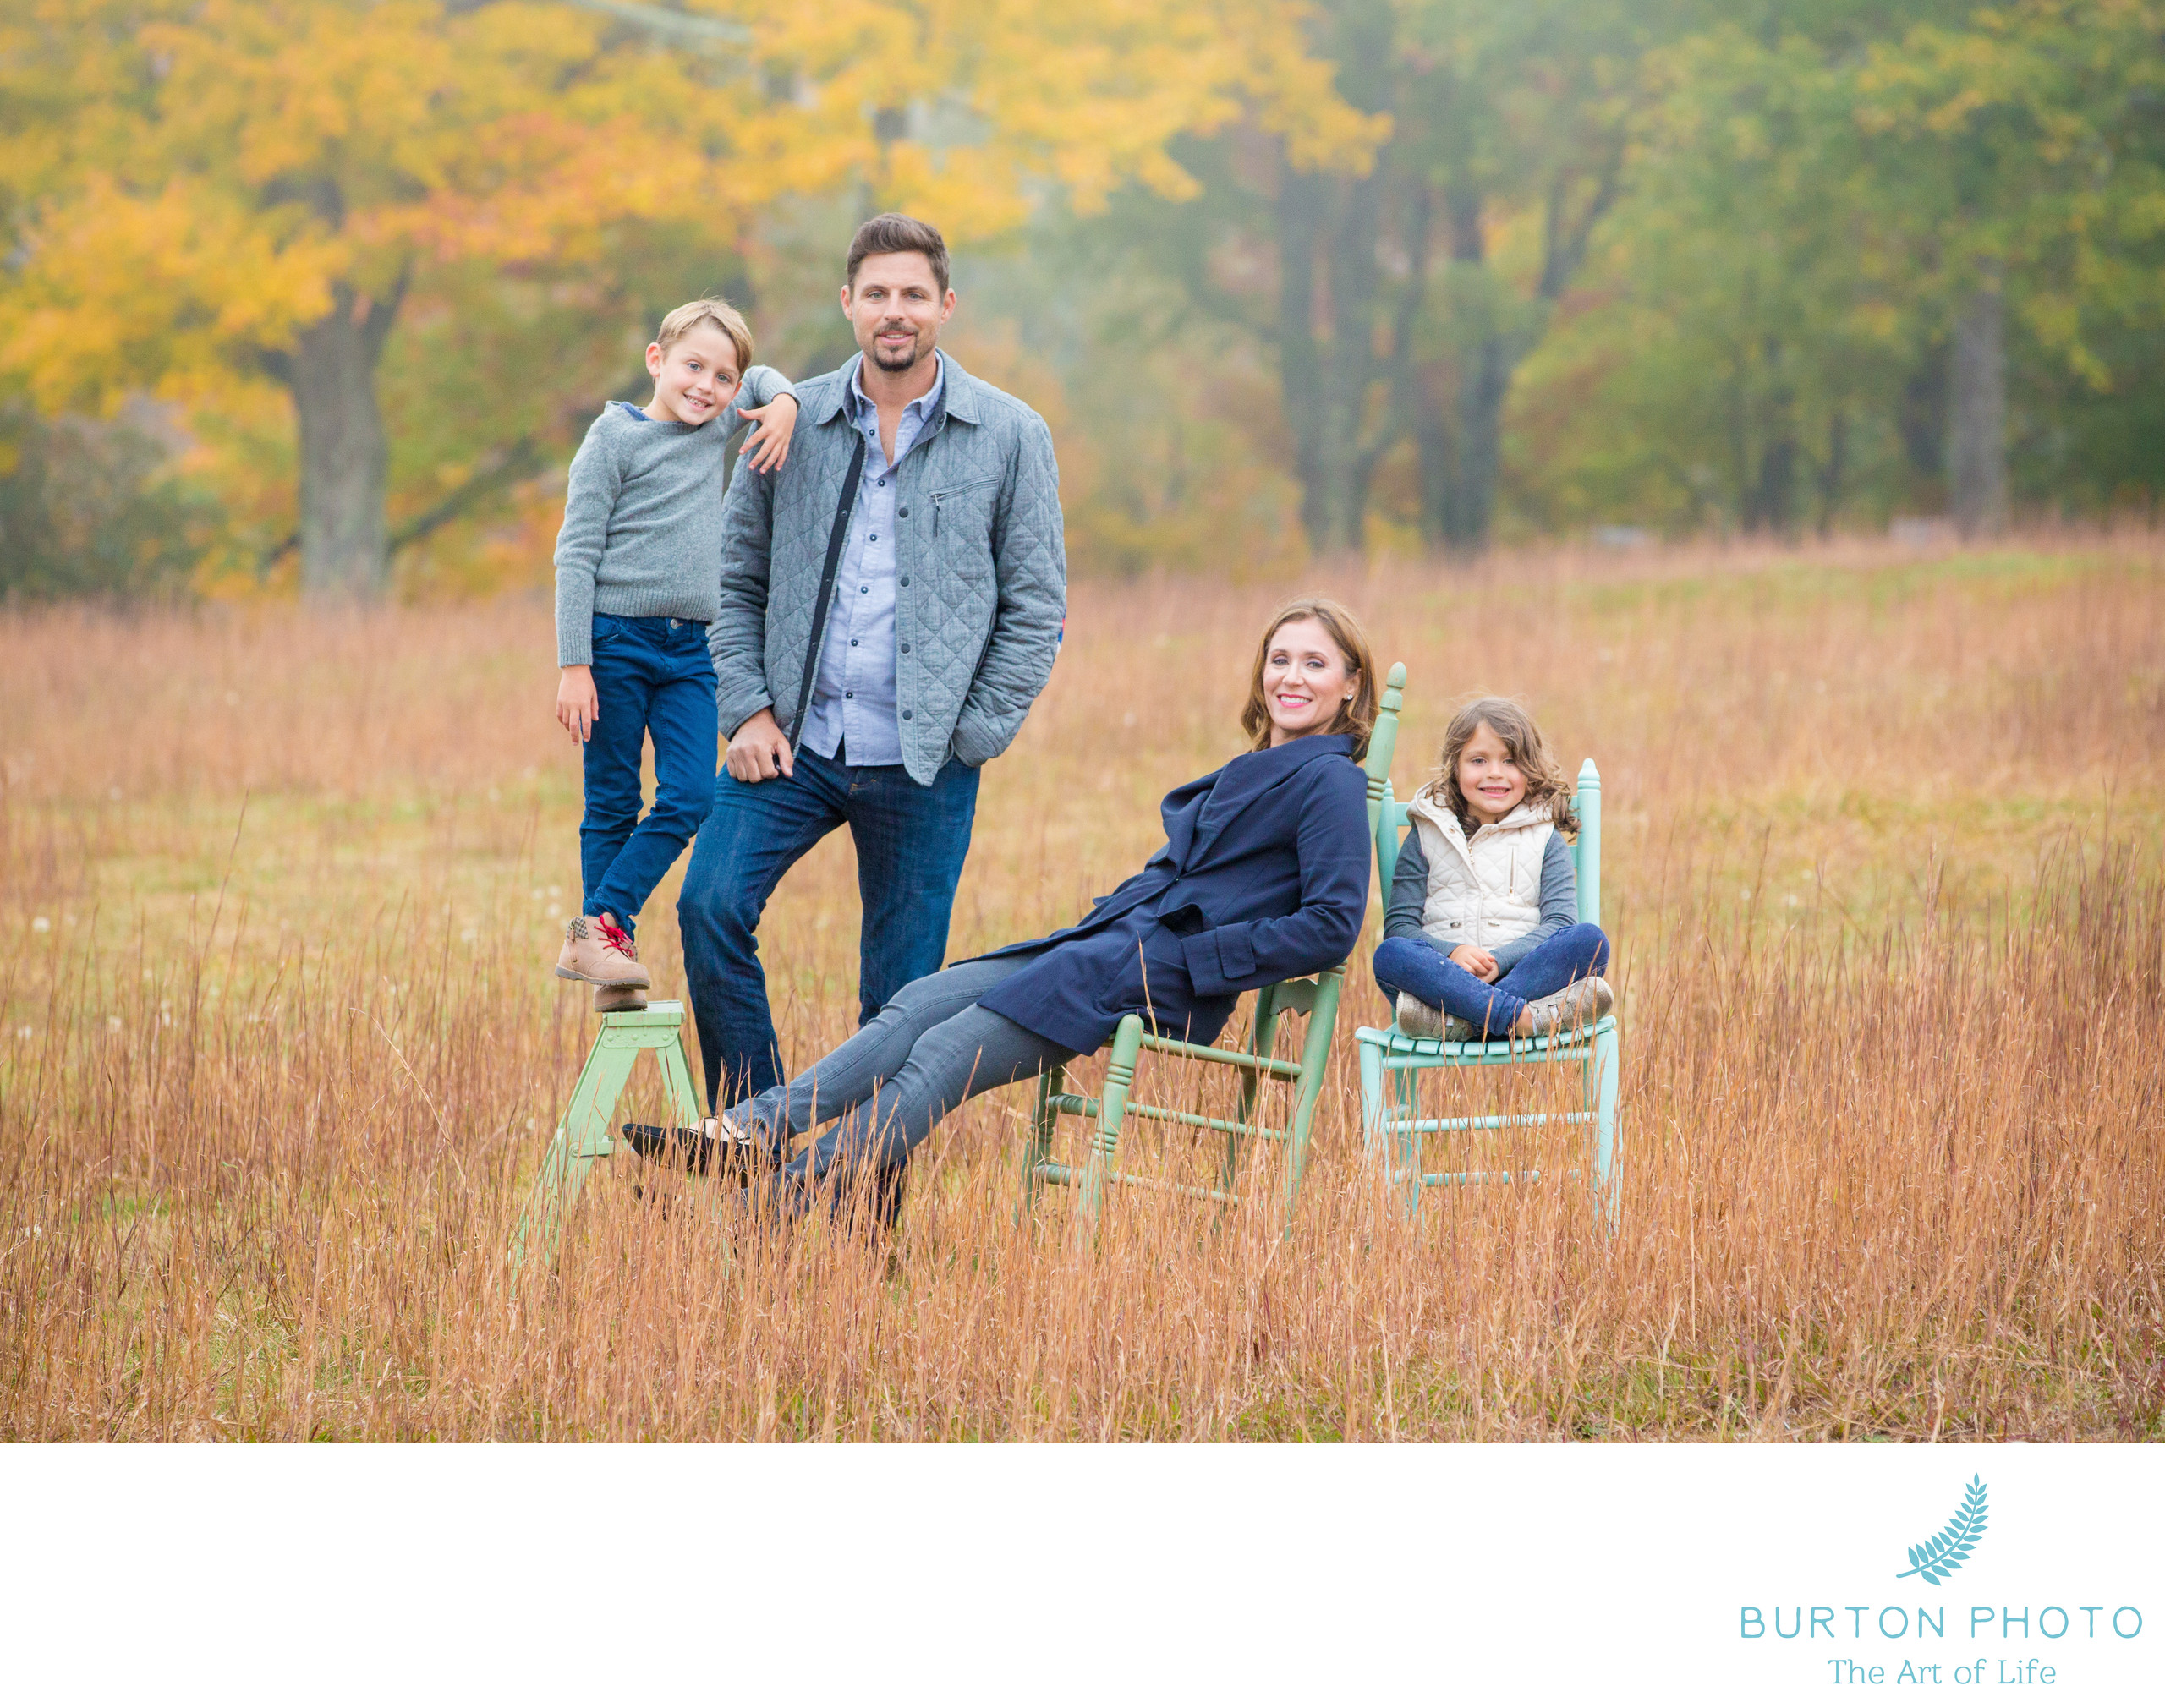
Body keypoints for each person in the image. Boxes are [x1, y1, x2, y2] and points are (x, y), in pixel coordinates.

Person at [634, 598, 1376, 1224]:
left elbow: (1331, 925)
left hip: (1158, 972)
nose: (1292, 677)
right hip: (1107, 944)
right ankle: (750, 1130)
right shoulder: (1256, 766)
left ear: (1350, 686)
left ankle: (770, 1207)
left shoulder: (1331, 783)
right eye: (1280, 659)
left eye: (1315, 663)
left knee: (948, 1052)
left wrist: (1195, 961)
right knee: (917, 1004)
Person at [677, 212, 1066, 1114]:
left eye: (915, 296)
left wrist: (973, 734)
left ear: (946, 307)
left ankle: (860, 1215)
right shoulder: (795, 422)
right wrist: (747, 710)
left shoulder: (1011, 435)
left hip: (926, 762)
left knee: (897, 1004)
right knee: (708, 909)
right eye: (879, 294)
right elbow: (732, 582)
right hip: (792, 745)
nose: (897, 312)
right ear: (848, 303)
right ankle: (757, 1141)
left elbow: (1037, 606)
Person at [551, 298, 798, 1002]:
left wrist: (778, 400)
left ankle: (597, 924)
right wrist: (575, 665)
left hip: (693, 651)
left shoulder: (719, 422)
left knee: (691, 794)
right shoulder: (613, 439)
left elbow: (764, 380)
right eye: (693, 366)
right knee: (612, 802)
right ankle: (609, 952)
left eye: (723, 377)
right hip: (614, 642)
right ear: (657, 361)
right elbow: (575, 555)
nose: (707, 386)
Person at [1373, 695, 1614, 1043]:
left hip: (1524, 979)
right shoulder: (1426, 832)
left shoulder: (1544, 835)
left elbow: (1560, 924)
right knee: (1391, 954)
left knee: (1590, 941)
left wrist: (1501, 961)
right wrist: (1452, 953)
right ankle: (1518, 1019)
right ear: (1454, 767)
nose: (1495, 773)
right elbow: (1400, 927)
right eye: (1478, 760)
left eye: (1510, 760)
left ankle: (1468, 1024)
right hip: (1447, 984)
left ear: (1530, 768)